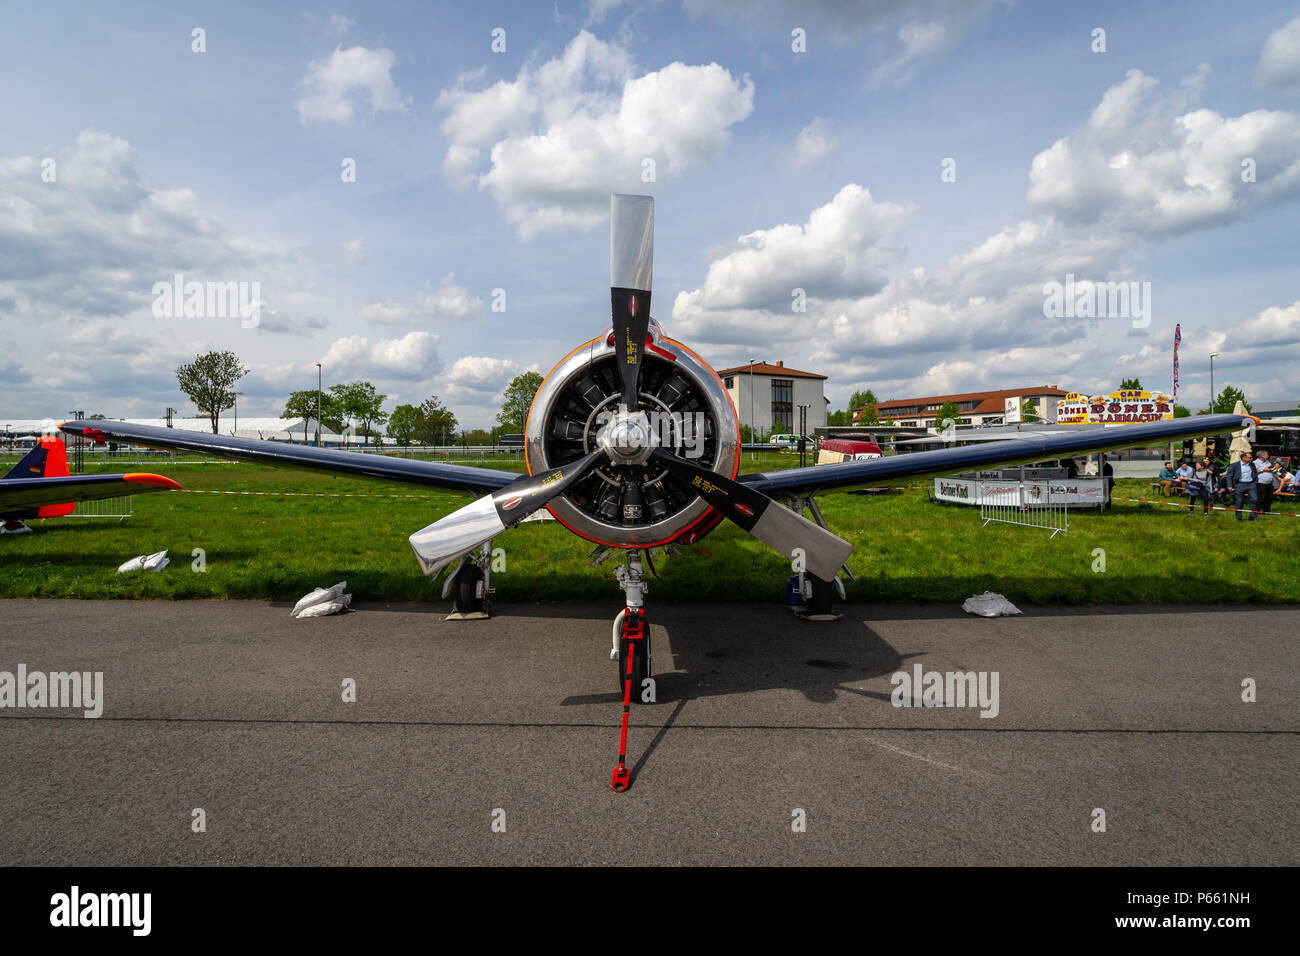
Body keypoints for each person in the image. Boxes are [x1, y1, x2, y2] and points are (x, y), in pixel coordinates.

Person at [1226, 451, 1258, 521]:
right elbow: (1229, 476)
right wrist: (1229, 485)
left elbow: (1255, 474)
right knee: (1239, 501)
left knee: (1254, 499)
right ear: (1244, 458)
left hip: (1251, 484)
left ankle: (1253, 517)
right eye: (1250, 457)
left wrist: (1255, 482)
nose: (1251, 458)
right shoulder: (1234, 465)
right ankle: (1239, 518)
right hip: (1239, 484)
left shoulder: (1252, 465)